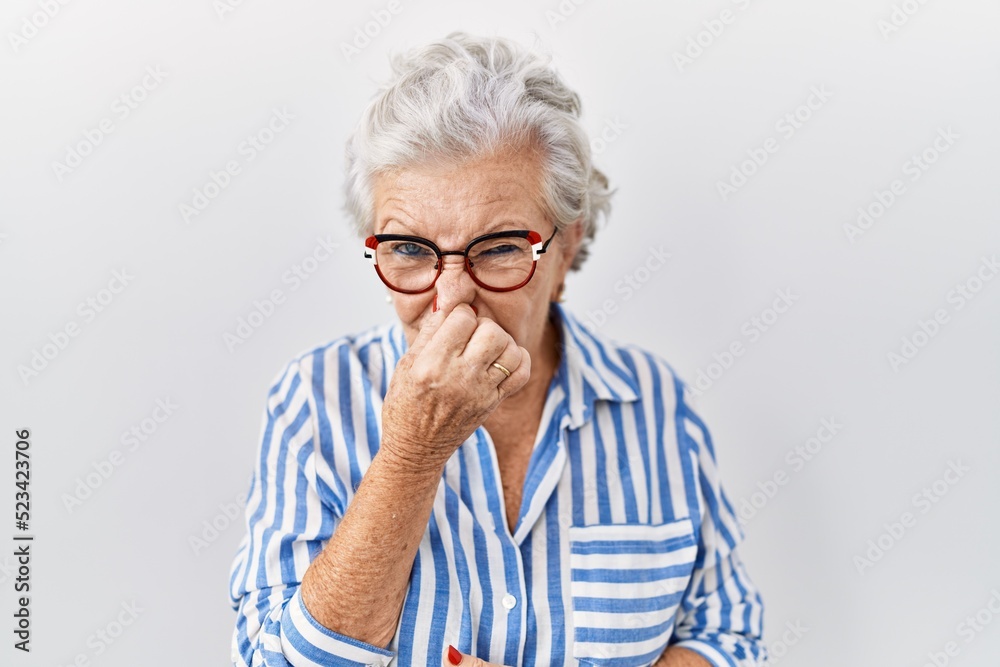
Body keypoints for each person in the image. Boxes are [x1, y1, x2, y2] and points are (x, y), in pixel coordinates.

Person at [229, 31, 766, 667]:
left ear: (565, 247)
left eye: (500, 247)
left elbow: (727, 638)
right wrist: (411, 452)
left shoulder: (653, 400)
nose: (452, 299)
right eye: (408, 249)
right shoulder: (314, 400)